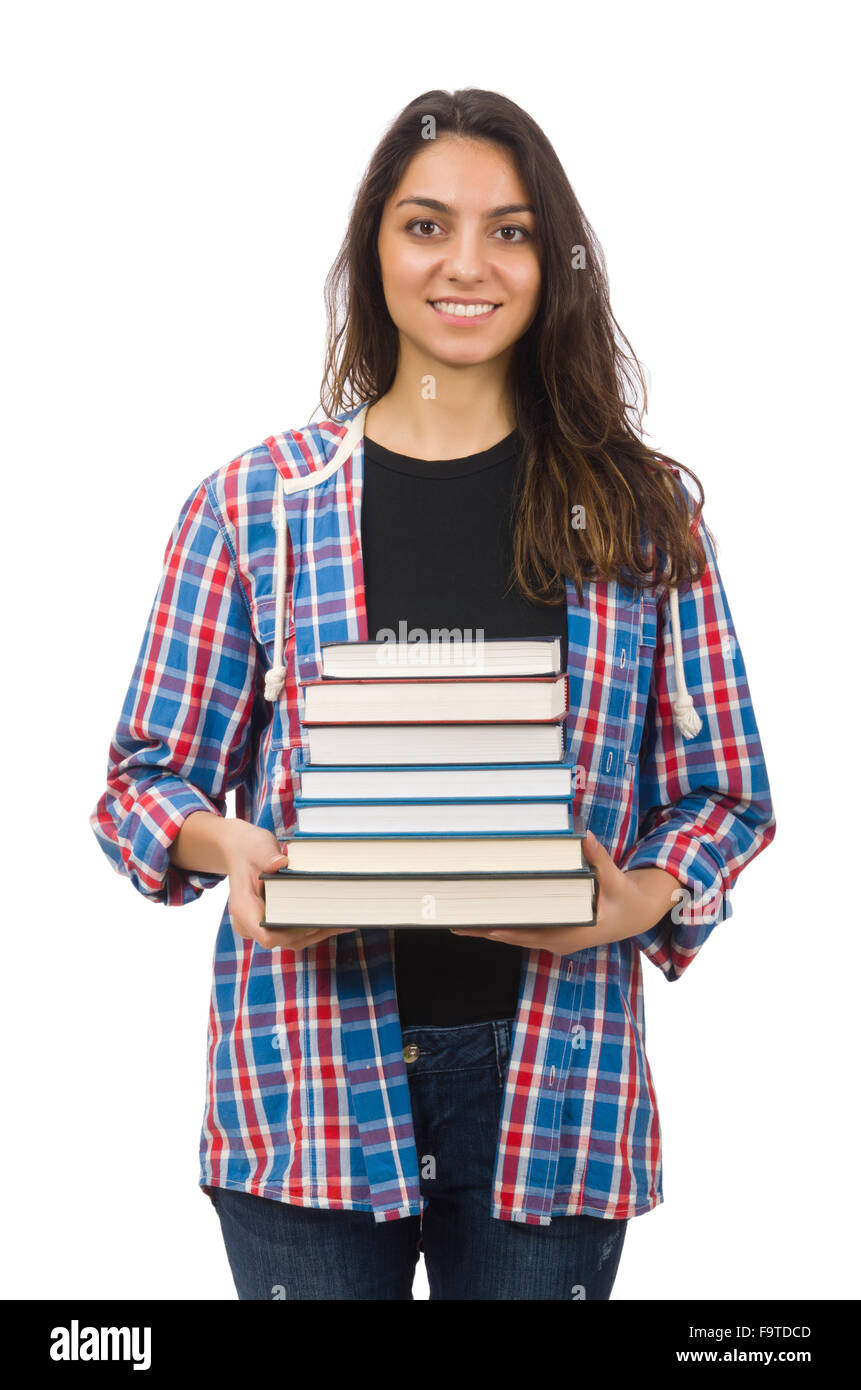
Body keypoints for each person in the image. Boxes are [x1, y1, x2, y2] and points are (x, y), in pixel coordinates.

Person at [90, 87, 776, 1301]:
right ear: (374, 249)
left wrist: (632, 905)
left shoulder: (642, 515)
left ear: (552, 262)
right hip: (303, 1081)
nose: (469, 263)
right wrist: (233, 845)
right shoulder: (255, 506)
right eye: (426, 226)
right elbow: (144, 782)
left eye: (510, 230)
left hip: (558, 1089)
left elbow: (726, 794)